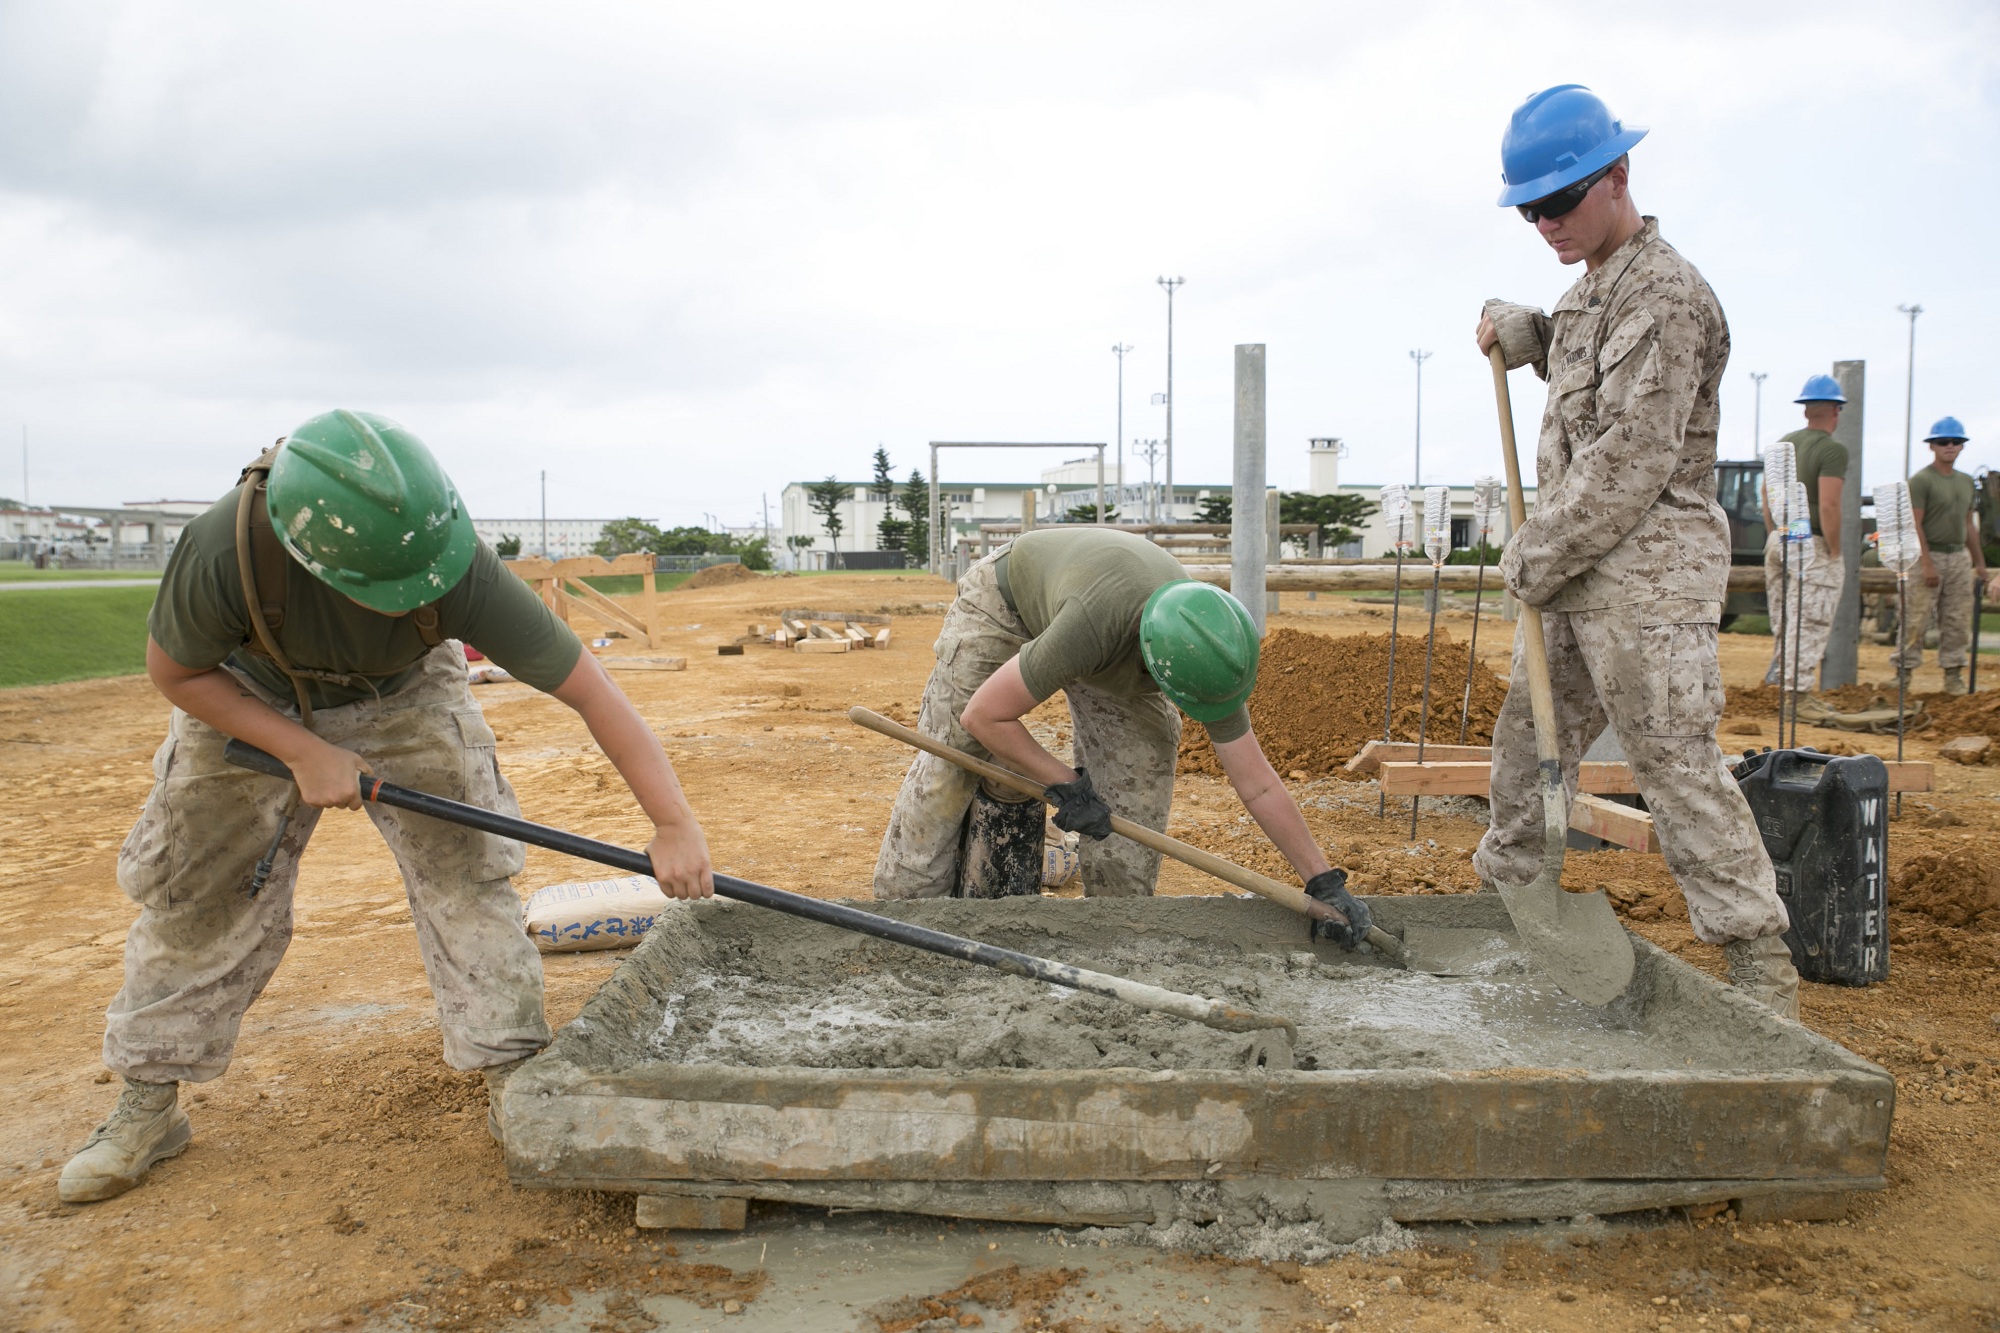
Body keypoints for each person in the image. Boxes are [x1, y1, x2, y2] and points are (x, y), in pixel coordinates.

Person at [60, 410, 715, 1205]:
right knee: (198, 890)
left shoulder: (456, 564)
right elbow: (177, 673)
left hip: (406, 693)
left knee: (467, 876)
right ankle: (147, 1101)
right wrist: (302, 749)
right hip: (248, 691)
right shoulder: (221, 551)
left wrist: (673, 822)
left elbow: (590, 689)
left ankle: (511, 1071)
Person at [1473, 85, 1798, 1018]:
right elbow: (1584, 357)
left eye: (1562, 202)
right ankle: (1514, 905)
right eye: (1530, 209)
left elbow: (1632, 453)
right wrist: (1534, 329)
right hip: (1577, 578)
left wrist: (1536, 549)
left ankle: (1760, 970)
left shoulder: (1664, 294)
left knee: (1673, 764)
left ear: (1619, 175)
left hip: (1645, 583)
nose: (1546, 223)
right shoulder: (1595, 292)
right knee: (1526, 746)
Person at [871, 526, 1368, 938]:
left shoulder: (1207, 653)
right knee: (952, 760)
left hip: (1112, 626)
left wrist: (1321, 879)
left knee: (1140, 774)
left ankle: (1116, 928)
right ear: (1150, 660)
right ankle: (906, 917)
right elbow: (984, 716)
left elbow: (1258, 783)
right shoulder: (1093, 625)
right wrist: (1066, 783)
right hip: (1009, 600)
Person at [1761, 376, 1849, 700]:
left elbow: (1765, 492)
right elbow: (1828, 503)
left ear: (1805, 411)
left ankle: (1777, 682)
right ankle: (1796, 694)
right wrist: (1834, 548)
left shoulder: (1786, 441)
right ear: (1836, 411)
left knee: (1784, 618)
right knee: (1809, 619)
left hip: (1780, 539)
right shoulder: (1833, 450)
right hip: (1811, 542)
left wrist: (1775, 533)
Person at [1893, 417, 1989, 695]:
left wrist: (1979, 563)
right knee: (1916, 616)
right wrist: (1926, 563)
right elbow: (1915, 523)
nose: (1950, 447)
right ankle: (1903, 675)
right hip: (1928, 553)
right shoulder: (1921, 480)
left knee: (1957, 618)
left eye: (1956, 442)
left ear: (1962, 447)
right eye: (1943, 442)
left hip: (1957, 556)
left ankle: (1953, 676)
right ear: (1932, 446)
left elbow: (1968, 524)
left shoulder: (1965, 481)